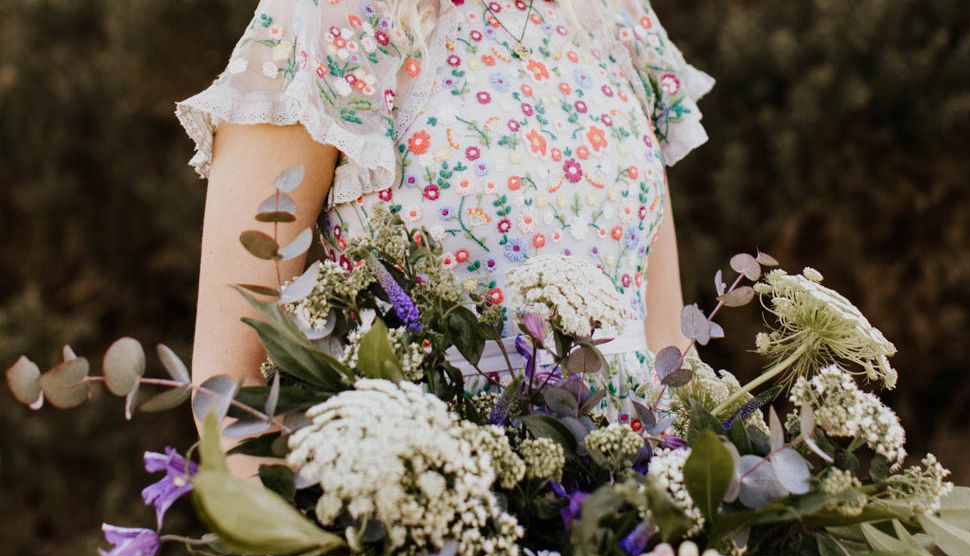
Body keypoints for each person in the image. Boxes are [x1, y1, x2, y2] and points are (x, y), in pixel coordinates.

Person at [175, 0, 714, 474]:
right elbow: (234, 382)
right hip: (424, 546)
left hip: (635, 539)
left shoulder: (620, 20)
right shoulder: (328, 21)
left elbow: (664, 341)